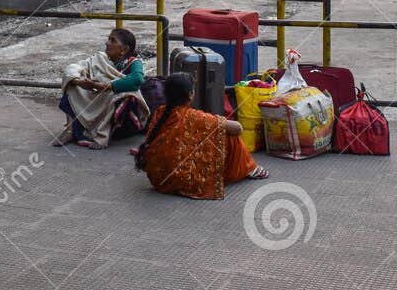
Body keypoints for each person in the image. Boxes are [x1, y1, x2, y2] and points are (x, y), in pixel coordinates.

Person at [133, 72, 269, 200]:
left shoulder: (159, 111)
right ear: (190, 95)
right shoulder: (195, 117)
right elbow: (238, 128)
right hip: (179, 180)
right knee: (230, 135)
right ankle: (250, 168)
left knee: (210, 132)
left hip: (157, 179)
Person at [54, 27, 149, 149]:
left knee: (127, 95)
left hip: (112, 103)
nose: (107, 43)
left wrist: (105, 86)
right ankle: (70, 130)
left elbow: (137, 79)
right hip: (98, 99)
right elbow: (74, 67)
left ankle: (103, 135)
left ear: (124, 49)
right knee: (71, 83)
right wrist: (79, 82)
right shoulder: (100, 58)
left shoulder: (133, 62)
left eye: (113, 41)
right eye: (108, 39)